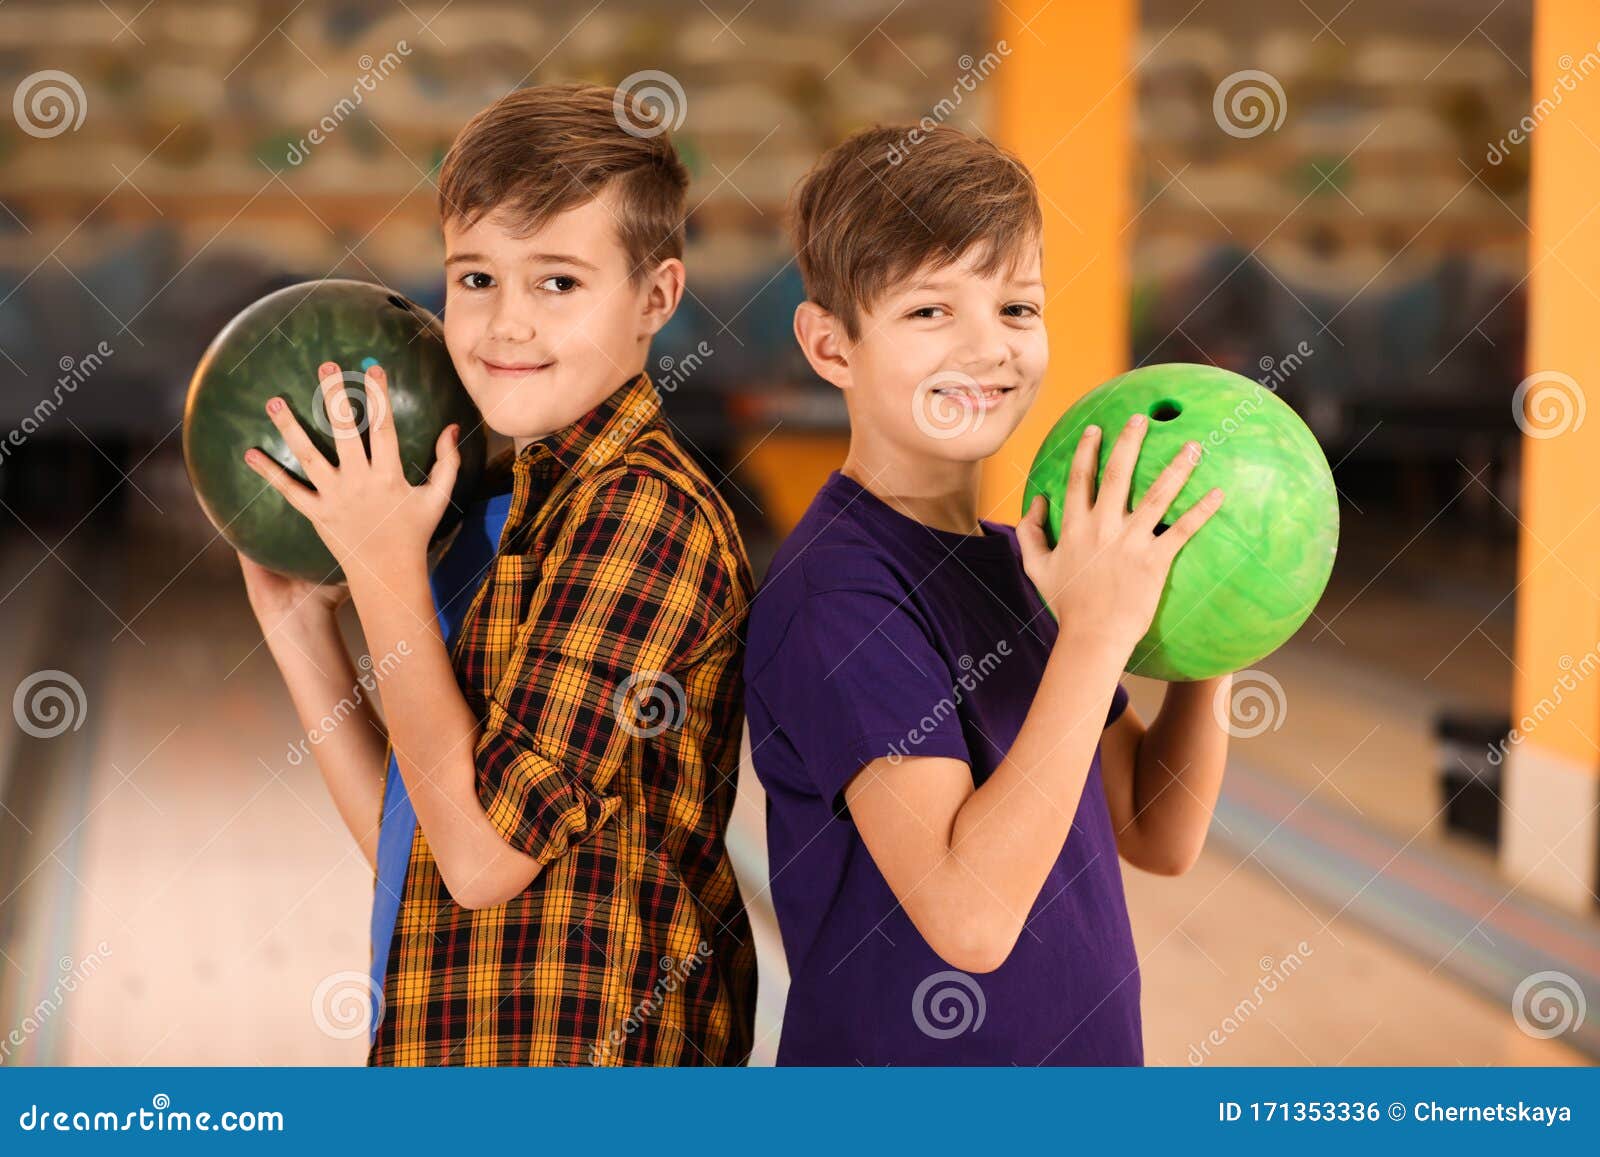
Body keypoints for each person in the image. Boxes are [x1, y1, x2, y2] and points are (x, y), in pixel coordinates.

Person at [239, 84, 755, 1066]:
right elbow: (425, 846)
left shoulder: (644, 511)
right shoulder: (515, 508)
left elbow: (482, 862)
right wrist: (302, 629)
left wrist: (384, 561)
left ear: (656, 298)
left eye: (557, 282)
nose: (504, 323)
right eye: (475, 279)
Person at [743, 124, 1232, 1065]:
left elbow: (1157, 829)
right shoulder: (838, 593)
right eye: (931, 312)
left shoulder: (1027, 560)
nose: (988, 349)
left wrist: (1215, 621)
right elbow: (969, 918)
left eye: (1016, 307)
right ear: (831, 345)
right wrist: (1095, 634)